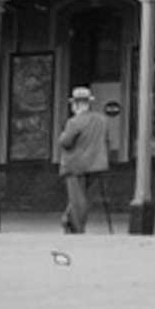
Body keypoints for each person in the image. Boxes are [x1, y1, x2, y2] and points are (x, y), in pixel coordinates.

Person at [54, 86, 110, 234]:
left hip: (75, 165)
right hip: (96, 164)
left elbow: (65, 142)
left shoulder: (74, 122)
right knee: (85, 198)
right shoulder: (102, 120)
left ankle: (77, 228)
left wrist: (62, 135)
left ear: (77, 104)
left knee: (77, 199)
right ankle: (68, 220)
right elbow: (106, 140)